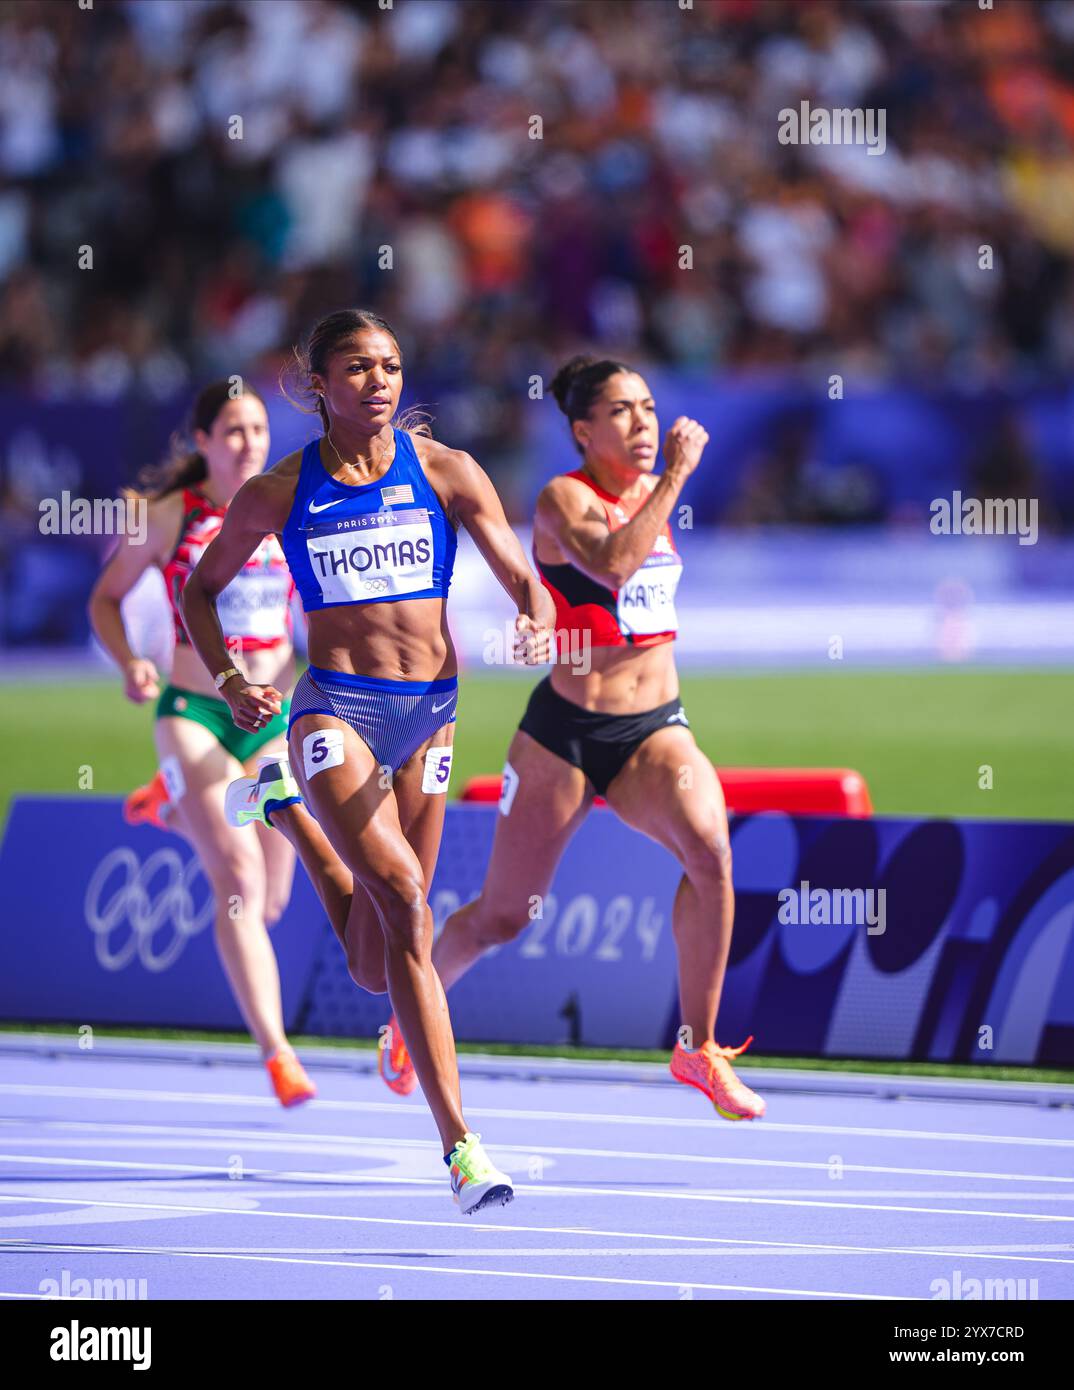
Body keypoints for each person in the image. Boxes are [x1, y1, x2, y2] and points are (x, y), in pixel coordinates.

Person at [179, 308, 556, 1214]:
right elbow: (201, 588)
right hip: (333, 711)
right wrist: (231, 681)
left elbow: (521, 572)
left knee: (372, 961)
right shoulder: (279, 491)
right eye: (357, 368)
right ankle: (462, 1149)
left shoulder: (449, 472)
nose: (380, 380)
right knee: (409, 906)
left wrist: (536, 615)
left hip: (429, 718)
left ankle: (285, 813)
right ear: (317, 384)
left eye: (390, 364)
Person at [383, 355, 765, 1122]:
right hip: (564, 733)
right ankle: (408, 1017)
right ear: (584, 431)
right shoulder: (566, 498)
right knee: (504, 914)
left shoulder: (647, 496)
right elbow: (617, 565)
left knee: (713, 852)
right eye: (623, 411)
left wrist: (550, 622)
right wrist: (678, 477)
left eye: (651, 409)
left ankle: (700, 1045)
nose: (645, 424)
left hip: (653, 727)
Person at [88, 381, 315, 1107]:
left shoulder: (287, 507)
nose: (251, 442)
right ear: (204, 442)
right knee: (241, 883)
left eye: (258, 428)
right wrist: (131, 662)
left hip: (274, 719)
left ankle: (175, 809)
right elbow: (105, 597)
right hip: (195, 711)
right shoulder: (167, 518)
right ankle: (278, 1052)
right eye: (235, 430)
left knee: (274, 897)